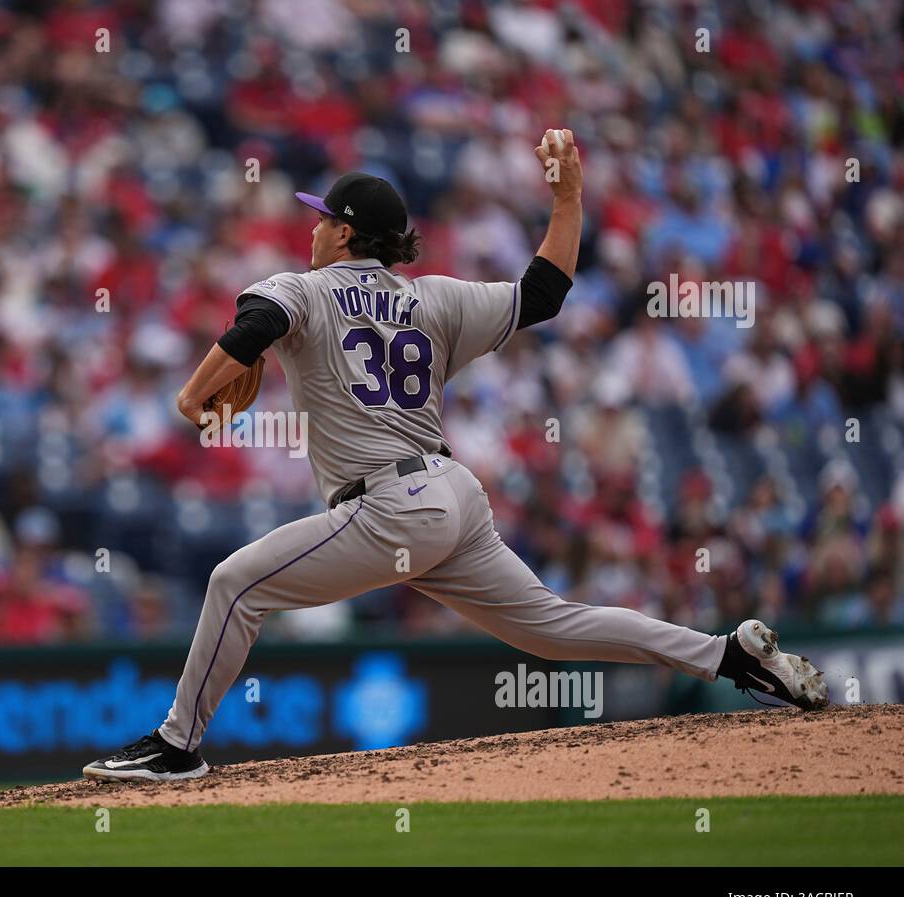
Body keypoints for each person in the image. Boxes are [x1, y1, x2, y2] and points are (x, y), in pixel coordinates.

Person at [83, 130, 827, 783]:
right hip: (452, 496)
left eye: (321, 218)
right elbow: (545, 293)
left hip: (390, 508)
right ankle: (729, 656)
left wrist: (194, 394)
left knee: (236, 584)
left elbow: (257, 321)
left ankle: (177, 746)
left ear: (343, 234)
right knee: (552, 628)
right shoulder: (432, 299)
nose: (311, 230)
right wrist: (568, 199)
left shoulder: (302, 288)